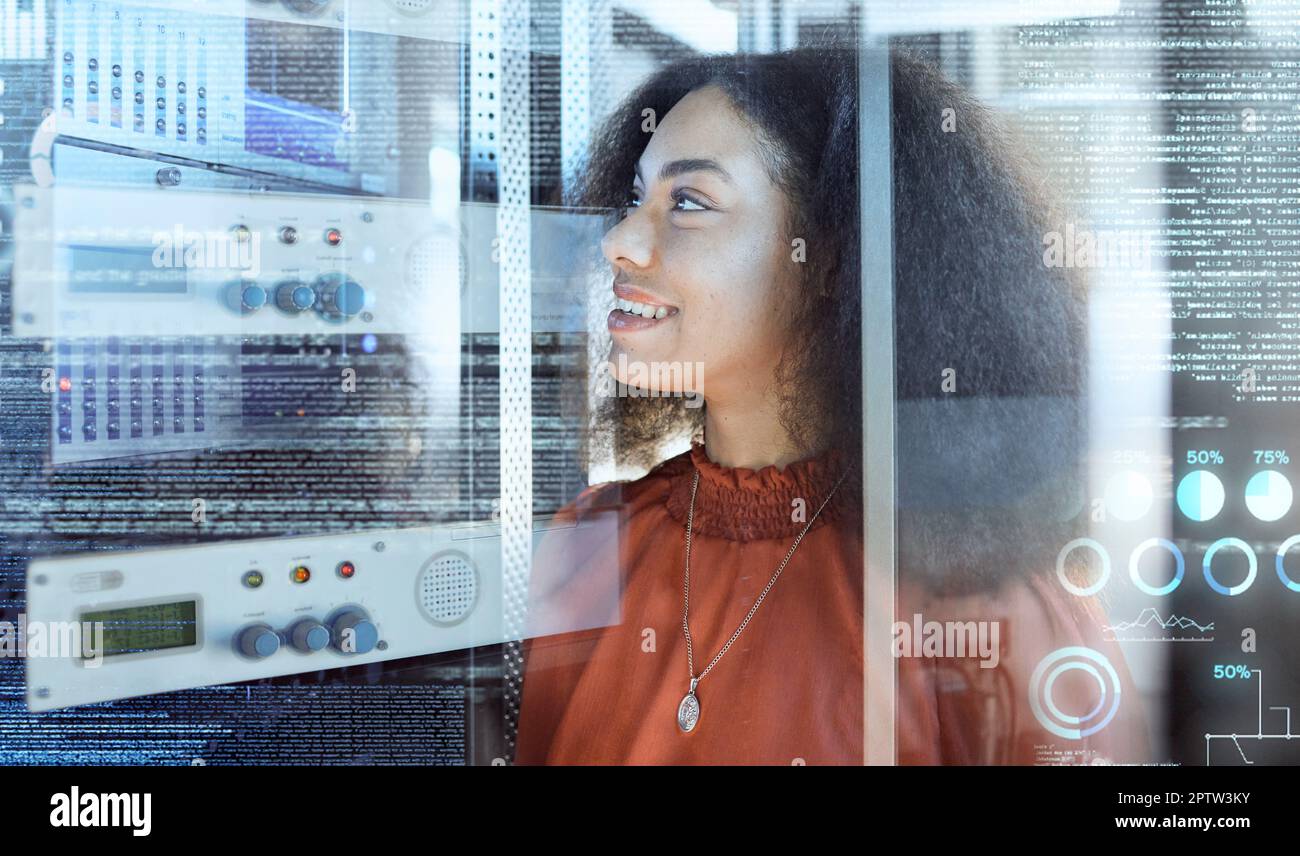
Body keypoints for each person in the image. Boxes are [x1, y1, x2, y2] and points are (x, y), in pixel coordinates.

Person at [513, 45, 1149, 765]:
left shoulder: (980, 594)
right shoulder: (589, 544)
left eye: (687, 202)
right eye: (635, 198)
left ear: (835, 261)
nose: (620, 242)